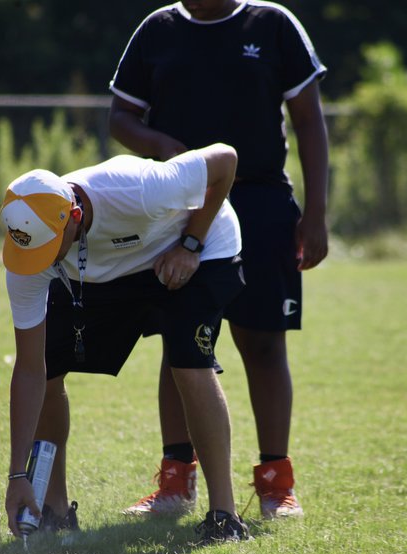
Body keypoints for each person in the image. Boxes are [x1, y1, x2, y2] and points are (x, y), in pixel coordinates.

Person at [108, 0, 329, 519]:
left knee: (264, 343)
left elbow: (309, 122)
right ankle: (175, 480)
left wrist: (316, 214)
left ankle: (276, 484)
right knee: (179, 342)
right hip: (179, 207)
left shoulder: (272, 24)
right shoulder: (158, 28)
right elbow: (120, 117)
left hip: (261, 204)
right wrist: (160, 145)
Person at [1, 142, 252, 543]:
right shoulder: (27, 254)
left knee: (189, 361)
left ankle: (224, 517)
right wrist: (17, 476)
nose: (40, 261)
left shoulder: (139, 188)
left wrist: (191, 244)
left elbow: (225, 159)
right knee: (50, 365)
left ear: (75, 217)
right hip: (110, 270)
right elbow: (30, 368)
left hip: (194, 246)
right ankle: (54, 510)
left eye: (49, 248)